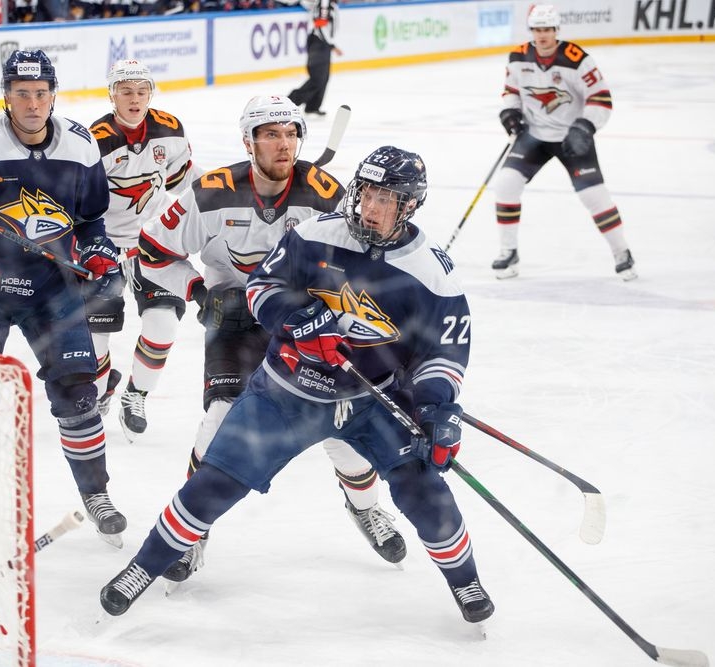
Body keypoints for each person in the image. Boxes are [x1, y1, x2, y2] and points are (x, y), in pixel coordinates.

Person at [101, 145, 494, 627]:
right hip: (285, 394)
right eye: (367, 193)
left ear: (409, 205)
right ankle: (142, 568)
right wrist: (298, 319)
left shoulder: (433, 272)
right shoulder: (315, 234)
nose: (370, 207)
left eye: (386, 199)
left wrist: (435, 410)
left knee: (425, 490)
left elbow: (443, 355)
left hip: (370, 401)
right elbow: (262, 287)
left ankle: (465, 580)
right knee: (215, 481)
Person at [131, 96, 407, 582]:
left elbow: (364, 263)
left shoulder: (326, 194)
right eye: (272, 134)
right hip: (236, 321)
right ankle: (190, 530)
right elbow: (151, 252)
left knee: (341, 425)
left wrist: (338, 312)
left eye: (292, 134)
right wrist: (199, 292)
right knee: (221, 420)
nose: (285, 144)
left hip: (306, 324)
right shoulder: (211, 193)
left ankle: (364, 507)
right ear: (249, 141)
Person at [0, 50, 128, 547]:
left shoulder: (81, 146)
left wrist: (100, 255)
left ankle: (96, 494)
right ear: (6, 96)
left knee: (79, 393)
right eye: (21, 93)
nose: (32, 104)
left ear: (54, 95)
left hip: (52, 288)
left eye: (40, 94)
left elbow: (91, 221)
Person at [87, 59, 200, 443]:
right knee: (95, 336)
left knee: (163, 323)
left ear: (150, 94)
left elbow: (187, 183)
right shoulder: (96, 140)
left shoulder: (170, 130)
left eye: (141, 91)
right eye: (126, 91)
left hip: (154, 243)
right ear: (112, 95)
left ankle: (135, 394)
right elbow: (80, 202)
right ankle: (103, 386)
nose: (134, 99)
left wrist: (229, 190)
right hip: (103, 246)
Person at [490, 3, 636, 281]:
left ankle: (622, 252)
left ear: (557, 30)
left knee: (594, 196)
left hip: (572, 139)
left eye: (547, 29)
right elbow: (511, 91)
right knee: (506, 185)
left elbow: (600, 97)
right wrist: (510, 113)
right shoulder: (518, 56)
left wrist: (585, 126)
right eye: (537, 29)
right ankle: (509, 251)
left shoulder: (577, 59)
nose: (542, 35)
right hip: (534, 136)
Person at [288, 0, 341, 117]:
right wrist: (330, 44)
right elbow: (320, 23)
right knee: (318, 78)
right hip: (319, 43)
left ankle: (313, 106)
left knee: (324, 77)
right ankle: (290, 103)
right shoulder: (324, 3)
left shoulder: (330, 4)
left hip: (322, 43)